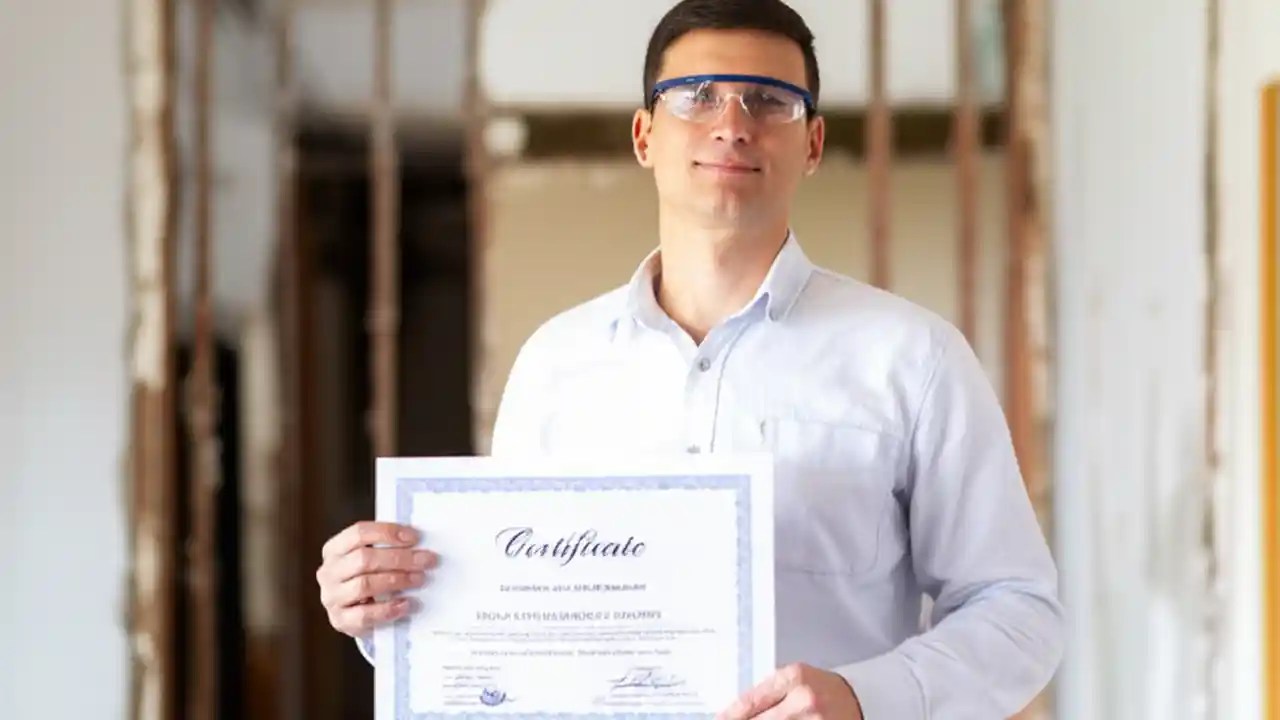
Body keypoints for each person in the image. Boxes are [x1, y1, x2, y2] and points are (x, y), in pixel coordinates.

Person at [315, 0, 1065, 717]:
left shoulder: (913, 359)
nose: (733, 125)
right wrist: (383, 608)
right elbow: (511, 620)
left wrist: (867, 698)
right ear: (645, 136)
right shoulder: (556, 366)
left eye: (770, 102)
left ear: (813, 144)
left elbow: (1020, 613)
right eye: (697, 97)